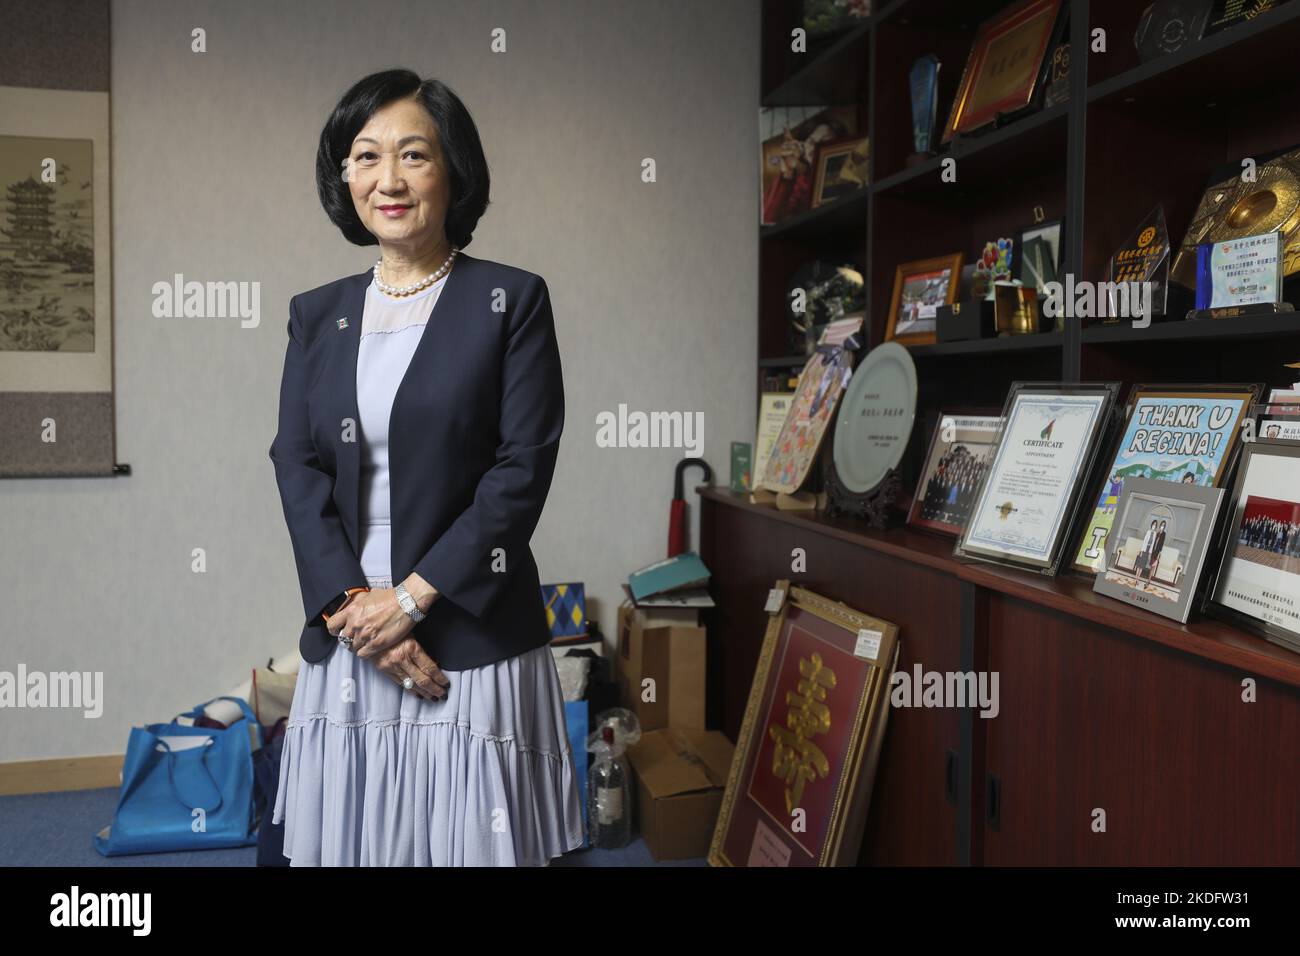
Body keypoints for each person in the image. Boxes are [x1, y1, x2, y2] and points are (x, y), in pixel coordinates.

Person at [268, 69, 582, 866]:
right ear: (345, 177)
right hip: (350, 625)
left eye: (414, 154)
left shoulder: (511, 301)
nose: (389, 179)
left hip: (468, 622)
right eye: (366, 157)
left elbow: (521, 468)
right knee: (358, 841)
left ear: (454, 172)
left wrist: (410, 600)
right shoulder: (316, 315)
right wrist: (355, 609)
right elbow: (296, 465)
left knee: (468, 840)